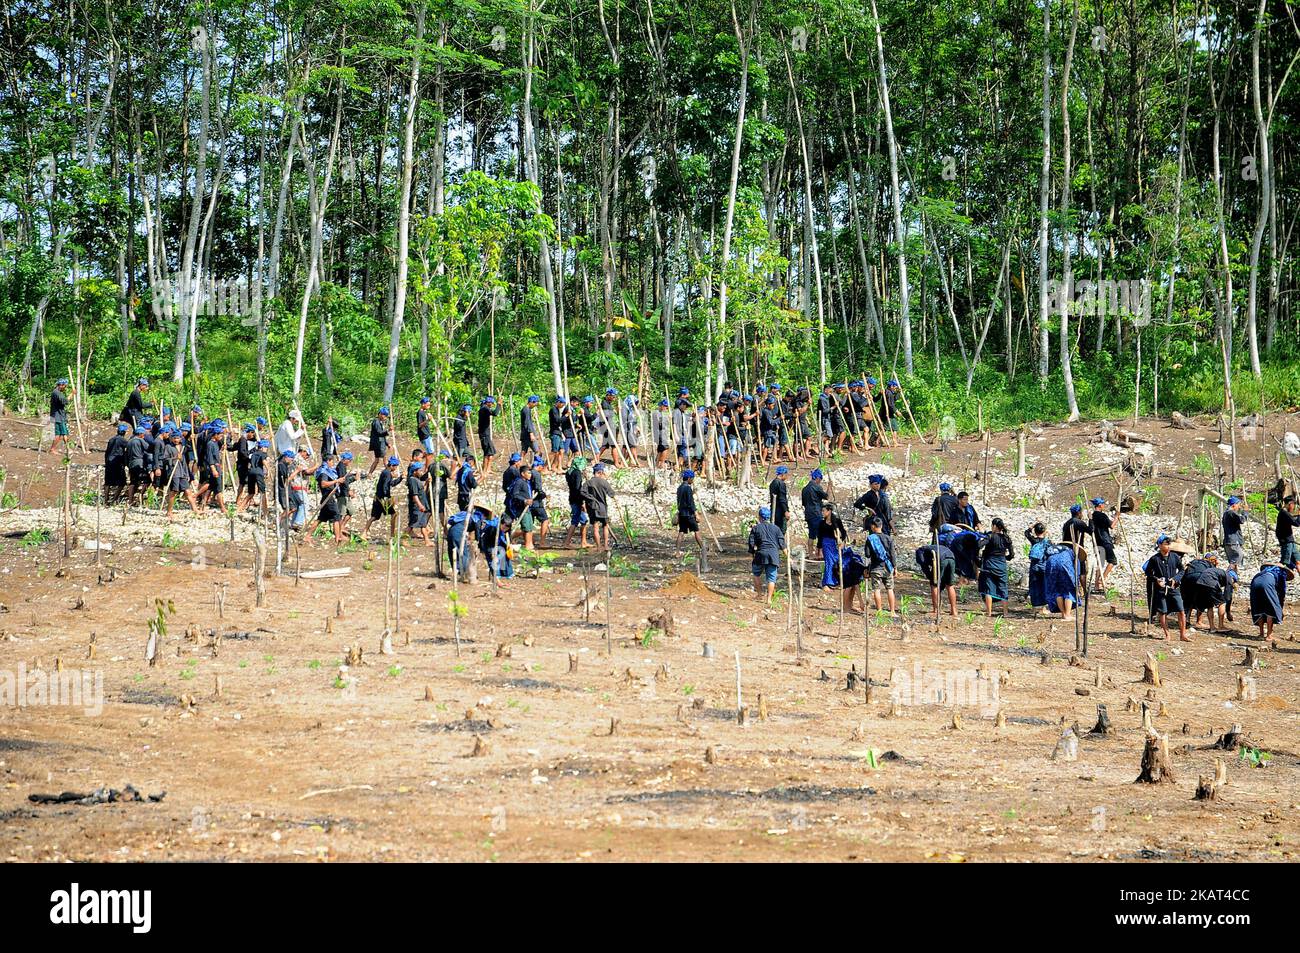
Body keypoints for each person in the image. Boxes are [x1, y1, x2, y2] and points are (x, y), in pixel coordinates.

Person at [1144, 535, 1189, 642]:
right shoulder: (1154, 559)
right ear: (1159, 545)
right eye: (1165, 544)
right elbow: (1148, 573)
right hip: (1161, 589)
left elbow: (1182, 570)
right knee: (1162, 612)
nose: (1168, 546)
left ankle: (1183, 634)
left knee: (1181, 610)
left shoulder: (1174, 557)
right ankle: (1167, 635)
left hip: (1173, 588)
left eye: (1169, 544)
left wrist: (1176, 579)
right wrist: (1156, 580)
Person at [1183, 552, 1232, 634]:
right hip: (1202, 579)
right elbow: (1228, 596)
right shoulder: (1221, 572)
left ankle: (1188, 620)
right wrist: (1228, 612)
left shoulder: (1195, 562)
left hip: (1188, 579)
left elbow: (1186, 569)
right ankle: (1219, 626)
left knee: (1192, 601)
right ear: (1213, 560)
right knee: (1220, 602)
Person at [1249, 563, 1295, 645]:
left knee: (1259, 607)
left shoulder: (1264, 571)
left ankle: (1261, 633)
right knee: (1270, 610)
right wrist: (1279, 608)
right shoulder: (1281, 574)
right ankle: (1269, 636)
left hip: (1255, 583)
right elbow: (1281, 593)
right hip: (1267, 584)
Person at [748, 506, 786, 605]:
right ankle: (768, 599)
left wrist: (752, 553)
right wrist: (788, 557)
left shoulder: (756, 528)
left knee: (756, 574)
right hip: (773, 555)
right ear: (768, 517)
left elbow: (751, 543)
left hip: (761, 554)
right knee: (771, 578)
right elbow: (782, 544)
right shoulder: (776, 528)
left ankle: (759, 595)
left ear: (760, 517)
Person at [978, 518, 1013, 617]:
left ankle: (989, 612)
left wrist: (982, 537)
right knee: (1003, 588)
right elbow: (1011, 555)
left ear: (994, 526)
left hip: (989, 564)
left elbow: (979, 545)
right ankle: (1005, 613)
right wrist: (1004, 557)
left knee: (989, 588)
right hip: (1001, 564)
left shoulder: (990, 536)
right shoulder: (1006, 538)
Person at [915, 541, 959, 618]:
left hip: (940, 558)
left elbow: (923, 564)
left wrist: (930, 577)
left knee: (934, 585)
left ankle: (936, 610)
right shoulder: (932, 548)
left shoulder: (919, 551)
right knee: (950, 585)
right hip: (951, 557)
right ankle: (954, 610)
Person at [364, 455, 403, 538]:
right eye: (395, 466)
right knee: (393, 514)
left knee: (374, 517)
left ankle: (364, 532)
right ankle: (392, 535)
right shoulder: (388, 474)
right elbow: (386, 487)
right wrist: (388, 499)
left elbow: (391, 484)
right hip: (382, 499)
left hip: (378, 497)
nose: (396, 468)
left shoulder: (385, 472)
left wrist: (400, 478)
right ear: (392, 466)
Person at [865, 515, 897, 615]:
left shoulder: (870, 539)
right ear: (881, 526)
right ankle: (892, 611)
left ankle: (879, 611)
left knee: (877, 589)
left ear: (873, 526)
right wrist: (895, 567)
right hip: (887, 567)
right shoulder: (889, 538)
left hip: (875, 567)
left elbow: (867, 554)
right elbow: (893, 554)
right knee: (890, 589)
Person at [816, 500, 849, 589]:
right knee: (829, 562)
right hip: (826, 545)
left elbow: (843, 532)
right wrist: (819, 550)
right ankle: (827, 582)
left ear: (829, 511)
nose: (822, 513)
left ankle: (837, 581)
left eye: (824, 511)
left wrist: (842, 541)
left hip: (836, 544)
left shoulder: (837, 521)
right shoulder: (822, 523)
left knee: (839, 562)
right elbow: (820, 537)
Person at [505, 459, 537, 550]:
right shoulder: (519, 482)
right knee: (526, 527)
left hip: (528, 508)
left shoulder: (526, 482)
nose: (530, 475)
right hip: (521, 507)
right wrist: (524, 500)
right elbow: (515, 495)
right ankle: (527, 546)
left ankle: (530, 545)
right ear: (523, 474)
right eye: (528, 473)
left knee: (530, 526)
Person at [583, 461, 614, 550]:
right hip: (603, 507)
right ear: (601, 472)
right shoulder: (604, 482)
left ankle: (598, 546)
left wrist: (590, 498)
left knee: (595, 527)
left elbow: (582, 492)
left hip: (593, 507)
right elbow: (611, 494)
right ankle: (606, 545)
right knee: (605, 525)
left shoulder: (589, 483)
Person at [1090, 498, 1118, 592]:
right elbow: (1112, 526)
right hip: (1105, 541)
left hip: (1097, 542)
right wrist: (1117, 517)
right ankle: (1102, 581)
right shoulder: (1102, 515)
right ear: (1100, 505)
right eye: (1103, 504)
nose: (1104, 506)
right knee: (1113, 561)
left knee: (1100, 563)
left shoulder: (1092, 516)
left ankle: (1096, 585)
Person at [564, 456, 590, 548]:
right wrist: (582, 502)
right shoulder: (577, 473)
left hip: (571, 497)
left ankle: (583, 542)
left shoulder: (568, 472)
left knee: (584, 520)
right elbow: (578, 488)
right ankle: (567, 543)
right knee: (575, 521)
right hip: (577, 499)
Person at [802, 469, 829, 553]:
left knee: (811, 535)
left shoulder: (804, 489)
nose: (820, 481)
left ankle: (810, 553)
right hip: (816, 513)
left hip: (808, 514)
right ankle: (819, 553)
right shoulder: (816, 487)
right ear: (817, 478)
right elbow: (826, 497)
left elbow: (804, 503)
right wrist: (829, 487)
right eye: (820, 479)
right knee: (821, 534)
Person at [1026, 523, 1050, 611]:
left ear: (1035, 532)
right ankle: (1044, 607)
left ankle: (1035, 606)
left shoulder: (1034, 540)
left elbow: (1026, 533)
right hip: (1044, 565)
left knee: (1034, 585)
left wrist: (1032, 526)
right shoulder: (1047, 541)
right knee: (1044, 586)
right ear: (1044, 531)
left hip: (1034, 566)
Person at [104, 423, 129, 505]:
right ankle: (114, 499)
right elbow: (128, 447)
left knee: (108, 481)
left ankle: (106, 499)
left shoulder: (111, 439)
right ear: (124, 432)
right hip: (117, 462)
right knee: (122, 482)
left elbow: (107, 452)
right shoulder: (122, 440)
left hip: (109, 462)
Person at [676, 469, 702, 549]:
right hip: (689, 514)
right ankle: (703, 548)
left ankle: (677, 552)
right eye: (692, 478)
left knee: (681, 532)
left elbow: (682, 500)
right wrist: (696, 514)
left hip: (682, 514)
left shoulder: (679, 488)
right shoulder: (688, 488)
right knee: (696, 531)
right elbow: (690, 503)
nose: (692, 480)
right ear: (689, 478)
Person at [1222, 496, 1247, 570]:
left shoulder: (1226, 514)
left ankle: (1232, 579)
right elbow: (1241, 520)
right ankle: (1228, 576)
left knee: (1233, 562)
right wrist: (1245, 512)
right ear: (1234, 505)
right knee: (1237, 558)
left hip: (1228, 542)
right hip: (1233, 541)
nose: (1239, 507)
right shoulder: (1231, 513)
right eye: (1238, 505)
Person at [1275, 495, 1299, 568]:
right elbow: (1296, 523)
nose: (1293, 507)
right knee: (1284, 562)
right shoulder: (1284, 513)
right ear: (1290, 504)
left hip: (1290, 541)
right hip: (1286, 541)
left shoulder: (1285, 513)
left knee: (1298, 561)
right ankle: (1278, 576)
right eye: (1293, 505)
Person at [49, 378, 71, 455]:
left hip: (58, 416)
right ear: (61, 385)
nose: (65, 388)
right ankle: (52, 449)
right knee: (59, 434)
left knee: (63, 433)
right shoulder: (57, 393)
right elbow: (65, 401)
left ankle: (68, 448)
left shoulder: (56, 392)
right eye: (65, 386)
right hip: (57, 417)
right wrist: (72, 394)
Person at [477, 396, 499, 473]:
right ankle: (484, 470)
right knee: (487, 453)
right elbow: (495, 413)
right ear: (488, 403)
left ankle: (488, 469)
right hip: (484, 435)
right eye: (492, 403)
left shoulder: (484, 408)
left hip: (485, 434)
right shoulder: (484, 408)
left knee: (490, 452)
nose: (492, 405)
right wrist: (499, 405)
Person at [367, 407, 391, 477]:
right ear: (380, 414)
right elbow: (379, 433)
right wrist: (388, 430)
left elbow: (382, 435)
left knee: (377, 460)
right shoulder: (376, 422)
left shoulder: (379, 422)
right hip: (378, 444)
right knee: (384, 459)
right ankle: (389, 473)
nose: (385, 417)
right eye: (385, 415)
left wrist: (387, 443)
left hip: (380, 443)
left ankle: (370, 474)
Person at [768, 465, 790, 534]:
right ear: (783, 474)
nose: (787, 476)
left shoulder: (773, 483)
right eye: (786, 474)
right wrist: (786, 511)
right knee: (781, 530)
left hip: (774, 509)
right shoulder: (781, 484)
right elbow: (782, 498)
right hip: (780, 511)